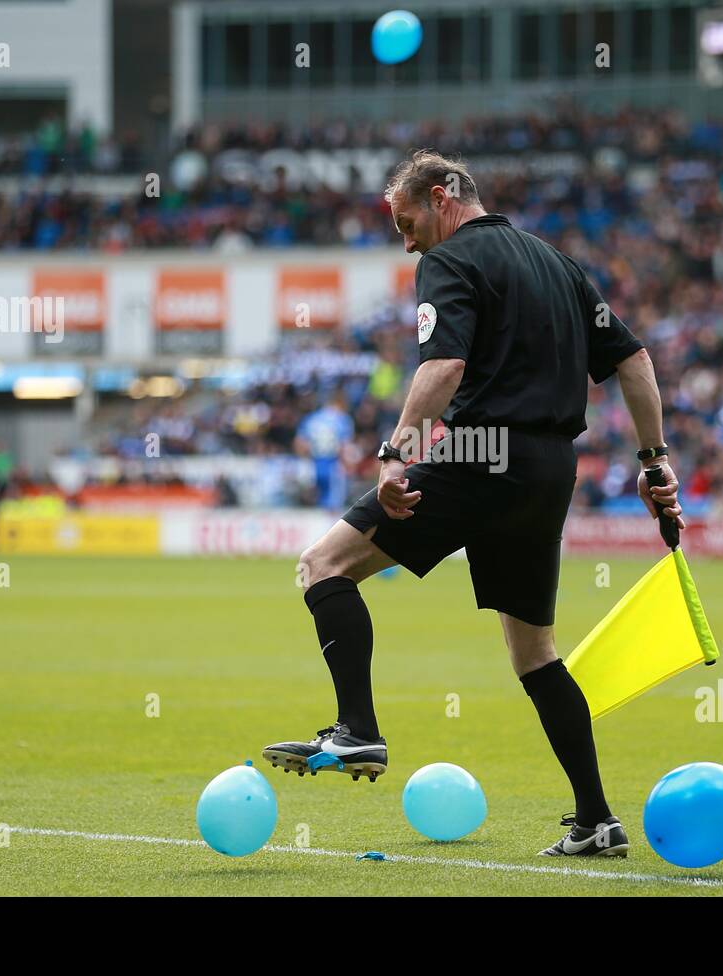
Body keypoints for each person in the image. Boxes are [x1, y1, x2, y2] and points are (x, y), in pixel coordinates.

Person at [262, 151, 684, 858]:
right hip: (552, 468)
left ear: (442, 197)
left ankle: (356, 728)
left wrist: (398, 452)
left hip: (481, 451)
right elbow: (634, 361)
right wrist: (653, 459)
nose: (406, 241)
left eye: (407, 222)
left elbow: (445, 365)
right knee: (535, 653)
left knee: (321, 566)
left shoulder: (451, 260)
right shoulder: (560, 265)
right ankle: (596, 819)